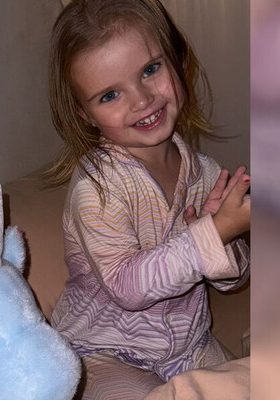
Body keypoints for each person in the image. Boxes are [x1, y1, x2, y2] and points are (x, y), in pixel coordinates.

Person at [45, 0, 251, 397]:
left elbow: (234, 279)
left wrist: (226, 238)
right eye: (110, 95)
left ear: (176, 60)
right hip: (102, 354)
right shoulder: (96, 186)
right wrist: (212, 234)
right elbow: (127, 285)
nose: (141, 100)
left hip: (188, 345)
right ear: (84, 113)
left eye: (150, 70)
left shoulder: (206, 173)